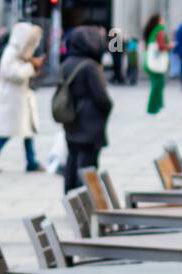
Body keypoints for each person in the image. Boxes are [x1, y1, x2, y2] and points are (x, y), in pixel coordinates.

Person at [0, 21, 46, 174]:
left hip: (20, 97)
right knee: (9, 130)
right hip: (12, 98)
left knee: (27, 130)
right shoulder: (11, 52)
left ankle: (31, 161)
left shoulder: (18, 53)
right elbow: (12, 73)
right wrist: (32, 67)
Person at [59, 25, 112, 189]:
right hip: (89, 120)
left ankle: (70, 195)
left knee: (72, 158)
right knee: (88, 164)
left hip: (71, 118)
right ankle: (84, 200)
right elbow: (102, 98)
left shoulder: (66, 63)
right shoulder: (90, 66)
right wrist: (107, 108)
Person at [142, 13, 169, 115]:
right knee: (157, 85)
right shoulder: (160, 30)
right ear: (158, 21)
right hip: (156, 64)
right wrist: (170, 46)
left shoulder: (152, 31)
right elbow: (161, 47)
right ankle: (153, 108)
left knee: (158, 84)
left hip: (150, 62)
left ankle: (158, 106)